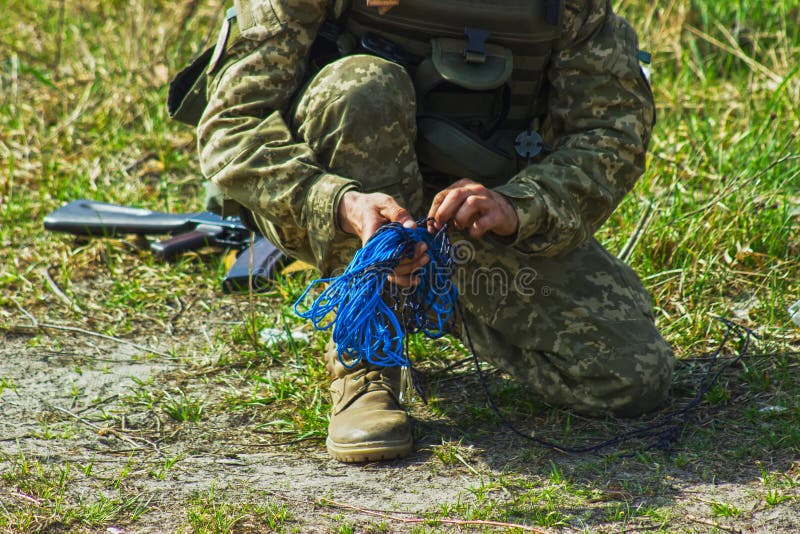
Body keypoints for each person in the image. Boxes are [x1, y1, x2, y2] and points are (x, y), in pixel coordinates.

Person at [196, 0, 675, 463]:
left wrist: (521, 204)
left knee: (629, 374)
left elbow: (610, 133)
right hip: (346, 200)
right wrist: (338, 202)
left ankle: (434, 289)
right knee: (363, 86)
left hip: (474, 219)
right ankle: (366, 352)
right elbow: (233, 126)